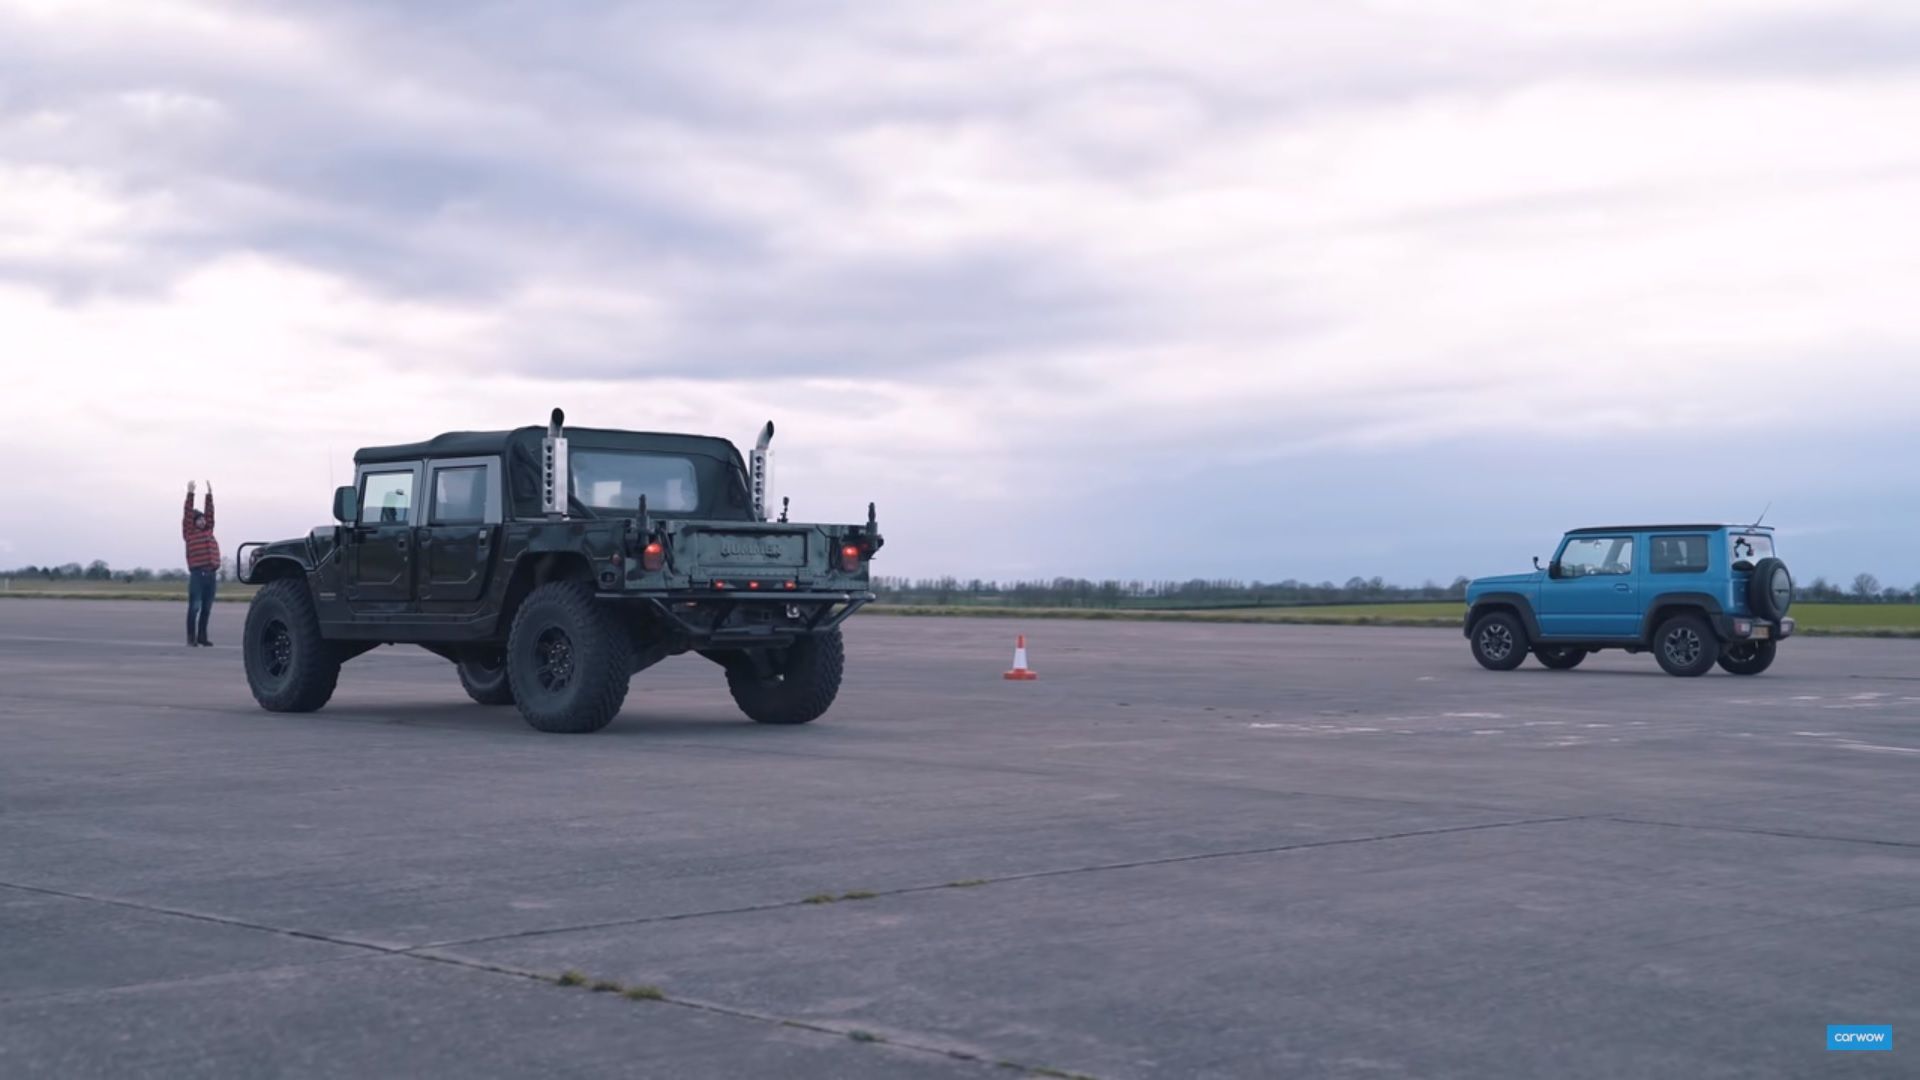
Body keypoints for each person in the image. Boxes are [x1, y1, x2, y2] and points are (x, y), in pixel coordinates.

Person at [183, 480, 220, 646]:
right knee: (195, 606)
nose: (203, 521)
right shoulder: (189, 533)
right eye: (199, 520)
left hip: (211, 574)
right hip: (198, 574)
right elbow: (187, 514)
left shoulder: (209, 531)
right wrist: (190, 493)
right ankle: (191, 637)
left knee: (207, 608)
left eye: (203, 519)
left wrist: (209, 495)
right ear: (193, 522)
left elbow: (210, 514)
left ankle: (202, 637)